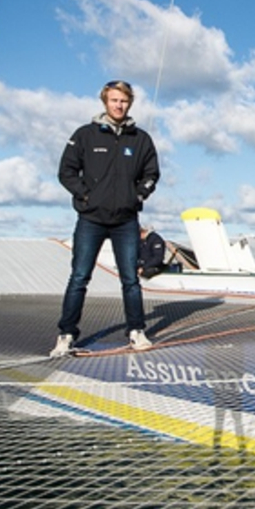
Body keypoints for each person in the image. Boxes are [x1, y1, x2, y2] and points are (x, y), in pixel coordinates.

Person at [51, 80, 159, 356]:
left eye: (123, 101)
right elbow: (66, 171)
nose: (119, 105)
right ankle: (66, 334)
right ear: (105, 102)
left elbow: (152, 173)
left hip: (125, 220)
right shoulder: (85, 135)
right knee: (79, 277)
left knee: (130, 280)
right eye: (114, 100)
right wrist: (85, 196)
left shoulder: (141, 139)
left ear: (129, 103)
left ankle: (136, 330)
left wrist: (138, 196)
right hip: (91, 219)